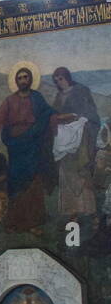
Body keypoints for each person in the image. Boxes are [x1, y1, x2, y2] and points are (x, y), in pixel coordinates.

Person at [0, 67, 54, 231]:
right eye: (19, 78)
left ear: (31, 79)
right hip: (16, 147)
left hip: (33, 146)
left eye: (25, 77)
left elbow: (48, 114)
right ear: (16, 81)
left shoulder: (37, 98)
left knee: (32, 182)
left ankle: (33, 223)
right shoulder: (10, 101)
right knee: (15, 183)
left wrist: (61, 118)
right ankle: (14, 222)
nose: (23, 80)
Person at [50, 66, 100, 218]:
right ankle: (71, 212)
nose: (59, 82)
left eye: (61, 78)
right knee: (66, 174)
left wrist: (76, 118)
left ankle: (88, 211)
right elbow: (54, 114)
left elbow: (91, 115)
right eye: (56, 80)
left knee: (81, 173)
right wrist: (59, 119)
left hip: (81, 140)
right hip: (64, 141)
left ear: (67, 77)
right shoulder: (59, 96)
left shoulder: (81, 90)